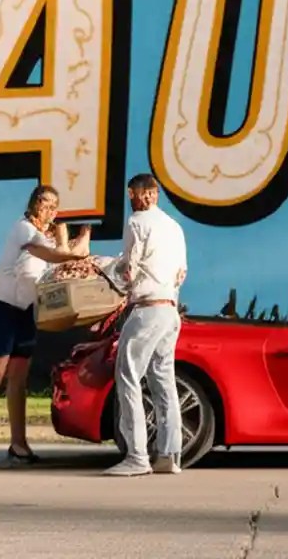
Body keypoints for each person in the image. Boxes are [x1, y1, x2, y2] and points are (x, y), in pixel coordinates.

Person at [0, 184, 91, 468]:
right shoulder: (23, 229)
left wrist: (77, 243)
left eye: (53, 206)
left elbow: (60, 262)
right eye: (44, 203)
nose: (49, 210)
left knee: (18, 379)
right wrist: (77, 245)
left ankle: (19, 445)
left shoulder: (45, 236)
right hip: (1, 310)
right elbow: (55, 255)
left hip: (24, 313)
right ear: (34, 204)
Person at [102, 173, 189, 477]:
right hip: (170, 310)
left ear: (132, 194)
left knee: (128, 377)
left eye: (146, 194)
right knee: (163, 381)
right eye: (146, 194)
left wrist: (106, 270)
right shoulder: (175, 227)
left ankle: (137, 456)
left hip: (147, 309)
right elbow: (181, 273)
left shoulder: (136, 222)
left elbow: (130, 270)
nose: (145, 199)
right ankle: (168, 455)